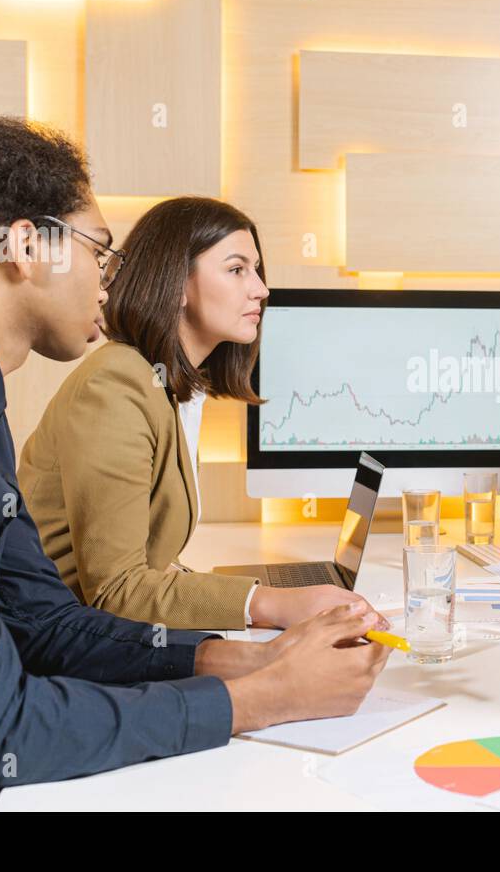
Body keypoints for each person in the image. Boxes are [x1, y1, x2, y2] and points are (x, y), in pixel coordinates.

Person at [0, 117, 390, 811]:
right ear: (26, 246)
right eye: (98, 250)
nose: (110, 282)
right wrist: (259, 699)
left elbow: (43, 623)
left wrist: (239, 658)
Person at [18, 196, 367, 629]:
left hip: (100, 635)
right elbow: (116, 591)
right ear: (176, 282)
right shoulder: (116, 384)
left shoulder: (168, 387)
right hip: (60, 644)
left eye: (256, 270)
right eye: (237, 269)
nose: (261, 289)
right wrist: (269, 604)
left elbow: (152, 566)